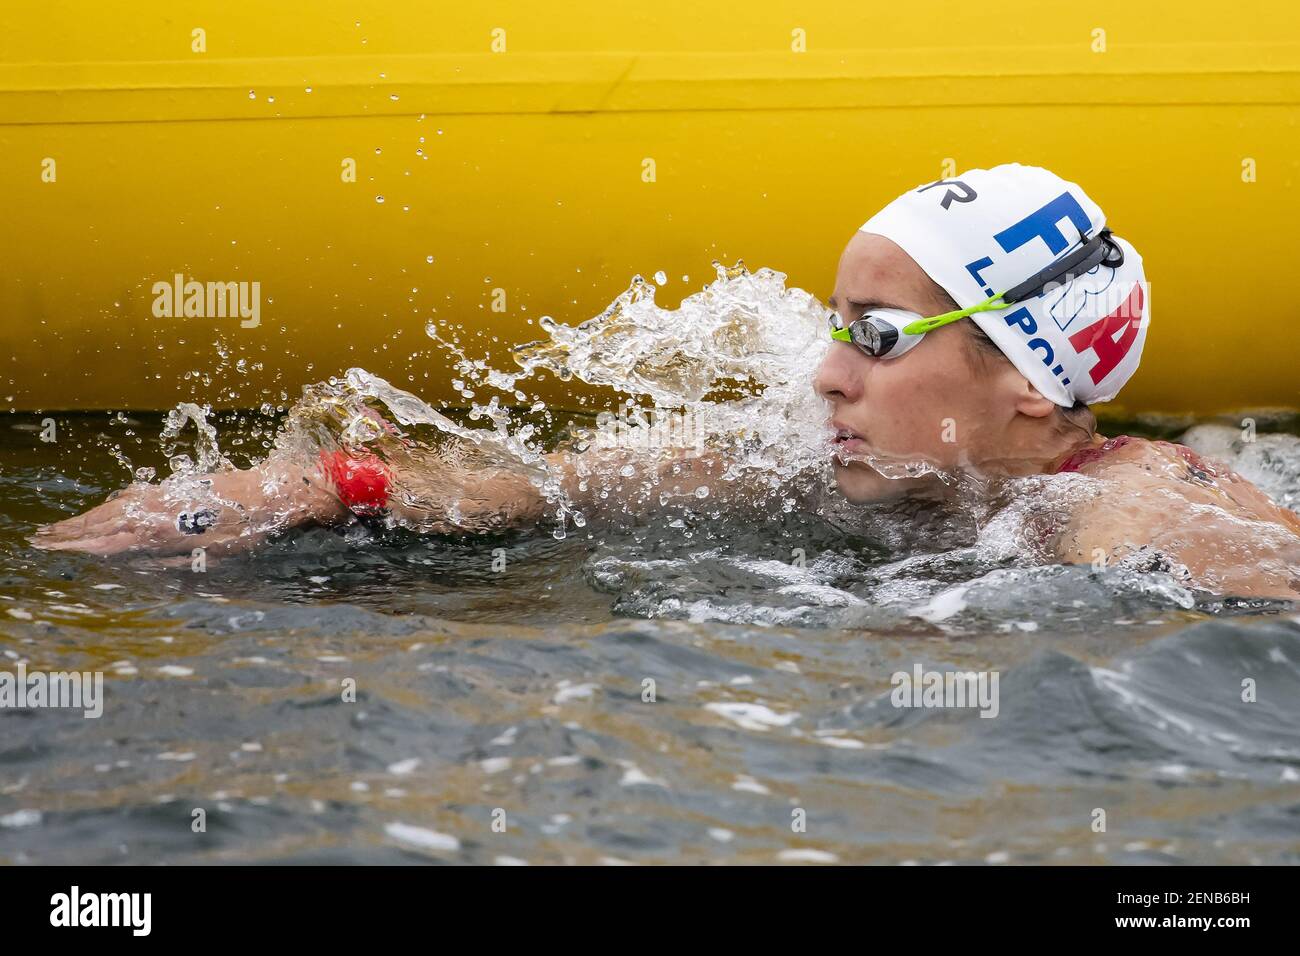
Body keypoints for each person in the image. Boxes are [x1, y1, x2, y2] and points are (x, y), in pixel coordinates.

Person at [34, 164, 1300, 599]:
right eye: (830, 322)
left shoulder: (1142, 514)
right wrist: (314, 484)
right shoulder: (817, 463)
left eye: (876, 335)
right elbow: (524, 488)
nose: (821, 372)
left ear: (1029, 380)